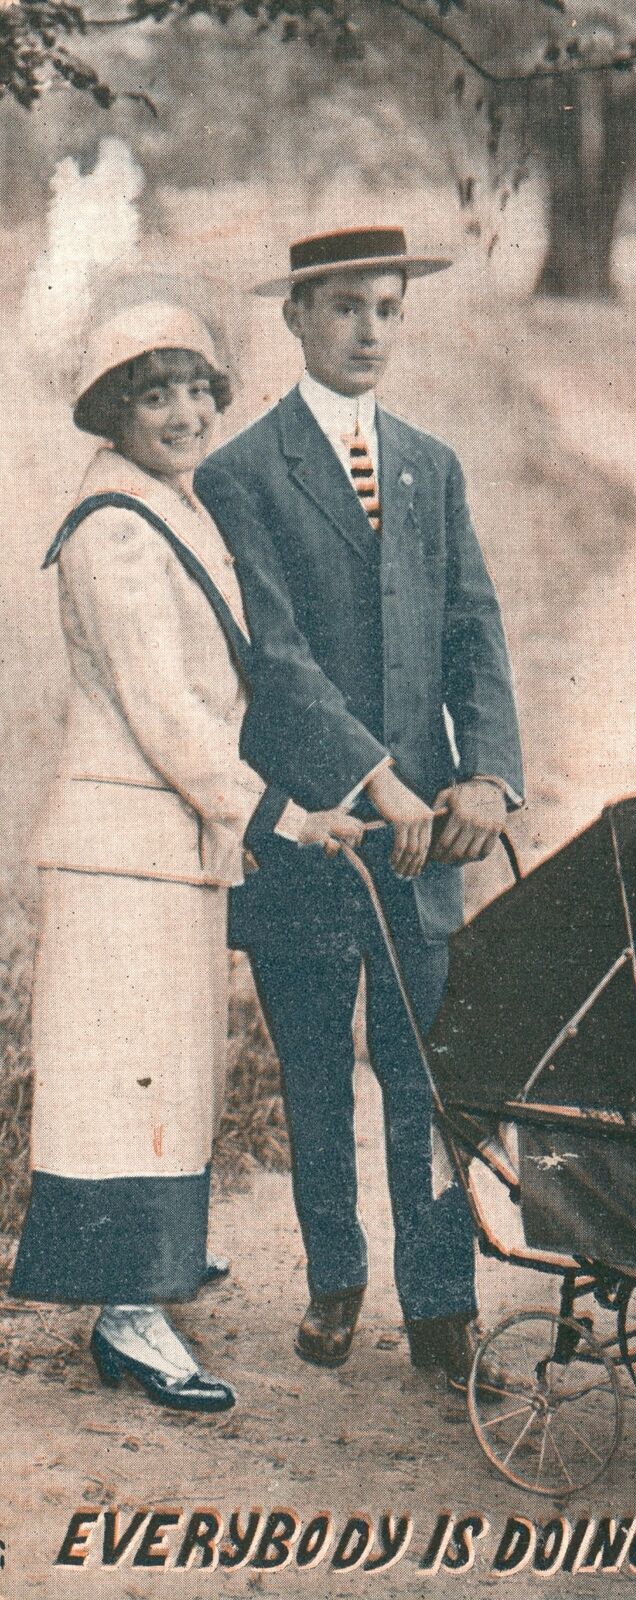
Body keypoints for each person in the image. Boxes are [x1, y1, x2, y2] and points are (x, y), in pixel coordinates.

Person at [194, 226, 525, 1387]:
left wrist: (482, 775)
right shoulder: (240, 473)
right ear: (295, 316)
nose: (369, 330)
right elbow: (275, 657)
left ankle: (440, 1302)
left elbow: (473, 628)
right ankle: (335, 1277)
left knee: (426, 1071)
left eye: (387, 306)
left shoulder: (431, 464)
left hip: (427, 835)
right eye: (343, 307)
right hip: (311, 828)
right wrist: (375, 779)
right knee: (314, 1071)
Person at [9, 299, 349, 1412]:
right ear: (116, 409)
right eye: (154, 394)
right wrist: (280, 815)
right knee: (125, 1079)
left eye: (197, 387)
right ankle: (130, 1314)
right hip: (125, 850)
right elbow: (165, 712)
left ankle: (148, 1281)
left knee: (166, 1068)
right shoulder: (113, 527)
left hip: (169, 851)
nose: (185, 411)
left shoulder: (170, 504)